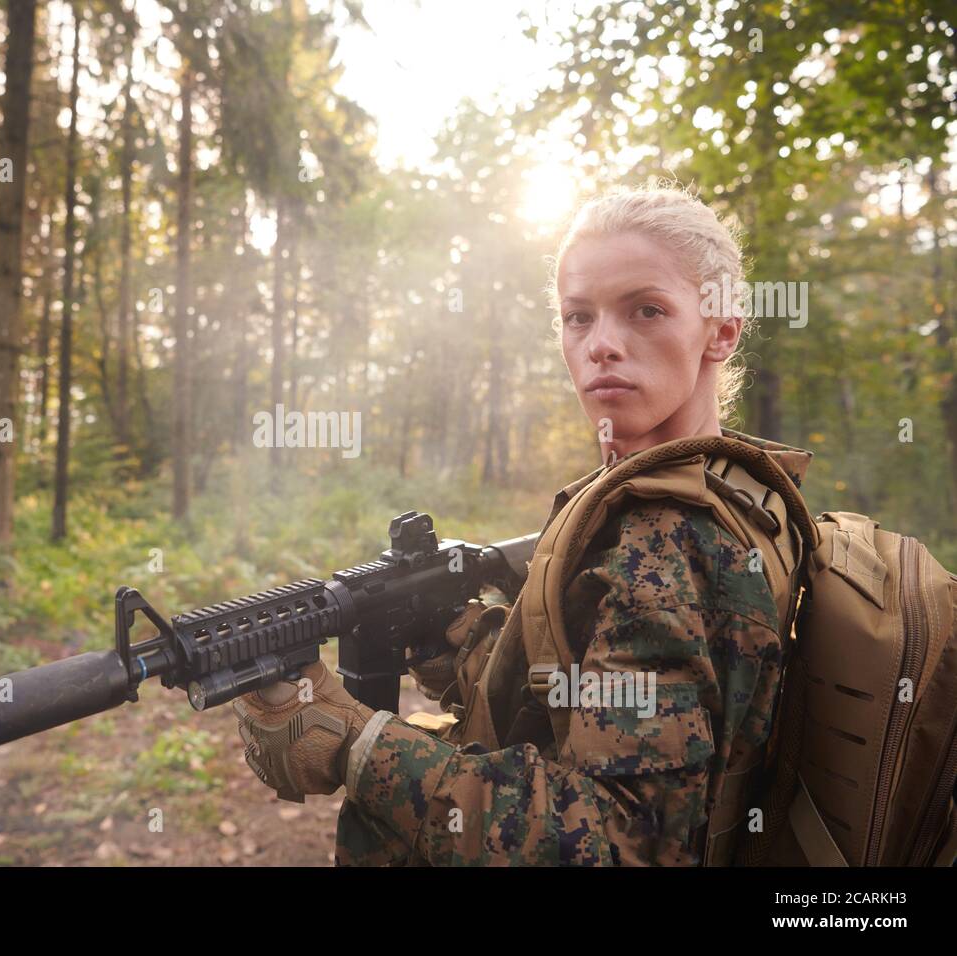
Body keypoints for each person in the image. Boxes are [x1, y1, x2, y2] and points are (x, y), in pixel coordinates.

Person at [232, 182, 813, 866]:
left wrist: (358, 744)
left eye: (646, 311)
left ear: (721, 331)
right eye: (578, 317)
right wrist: (472, 649)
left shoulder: (663, 538)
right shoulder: (741, 485)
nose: (602, 344)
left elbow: (617, 843)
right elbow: (604, 714)